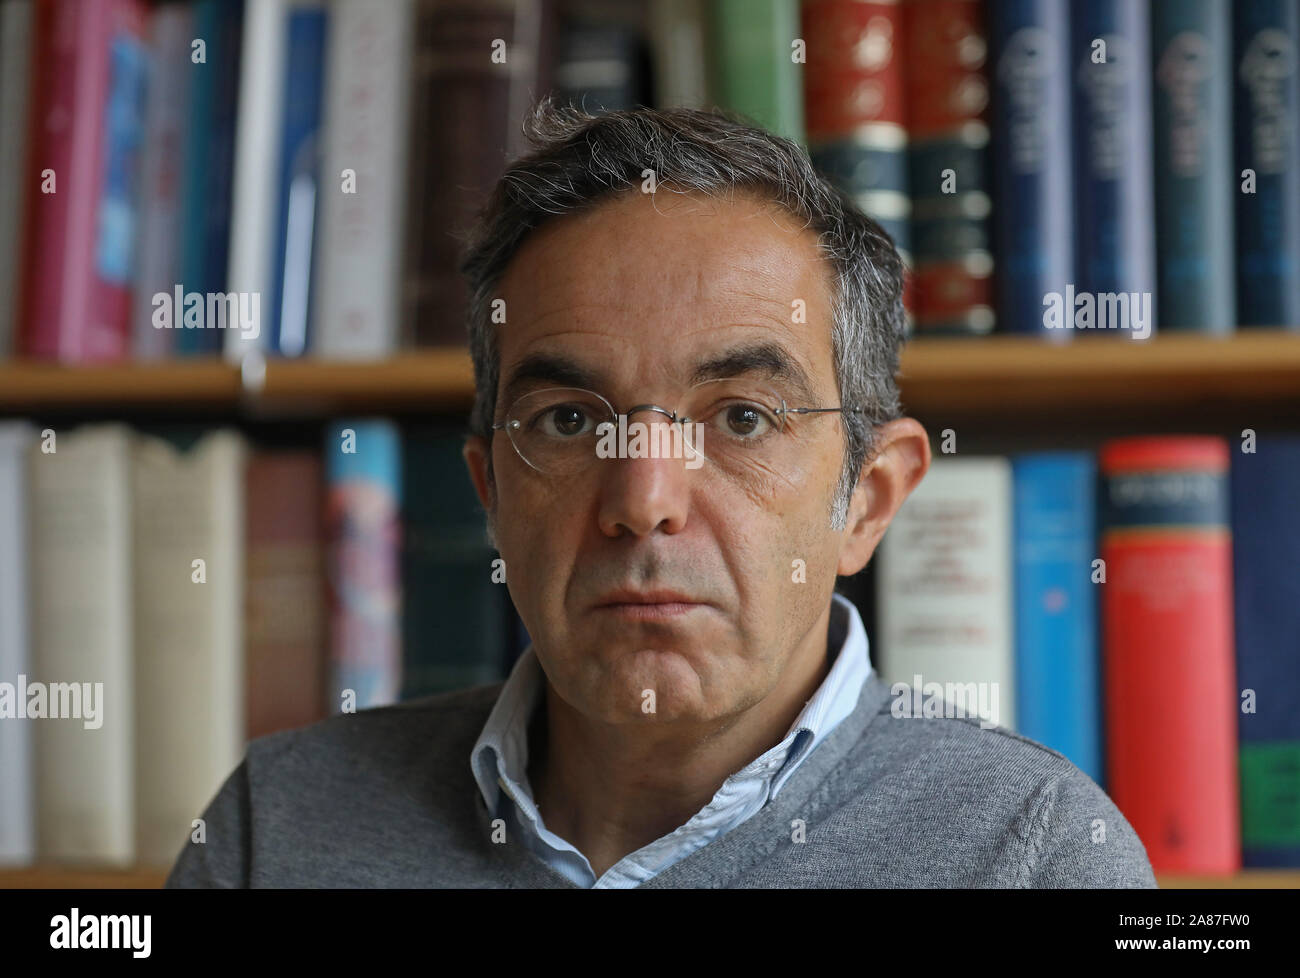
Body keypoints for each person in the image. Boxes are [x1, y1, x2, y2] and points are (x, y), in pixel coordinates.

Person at [167, 101, 1155, 888]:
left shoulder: (1039, 856)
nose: (643, 501)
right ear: (489, 491)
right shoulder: (278, 828)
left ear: (868, 498)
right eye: (567, 420)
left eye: (740, 418)